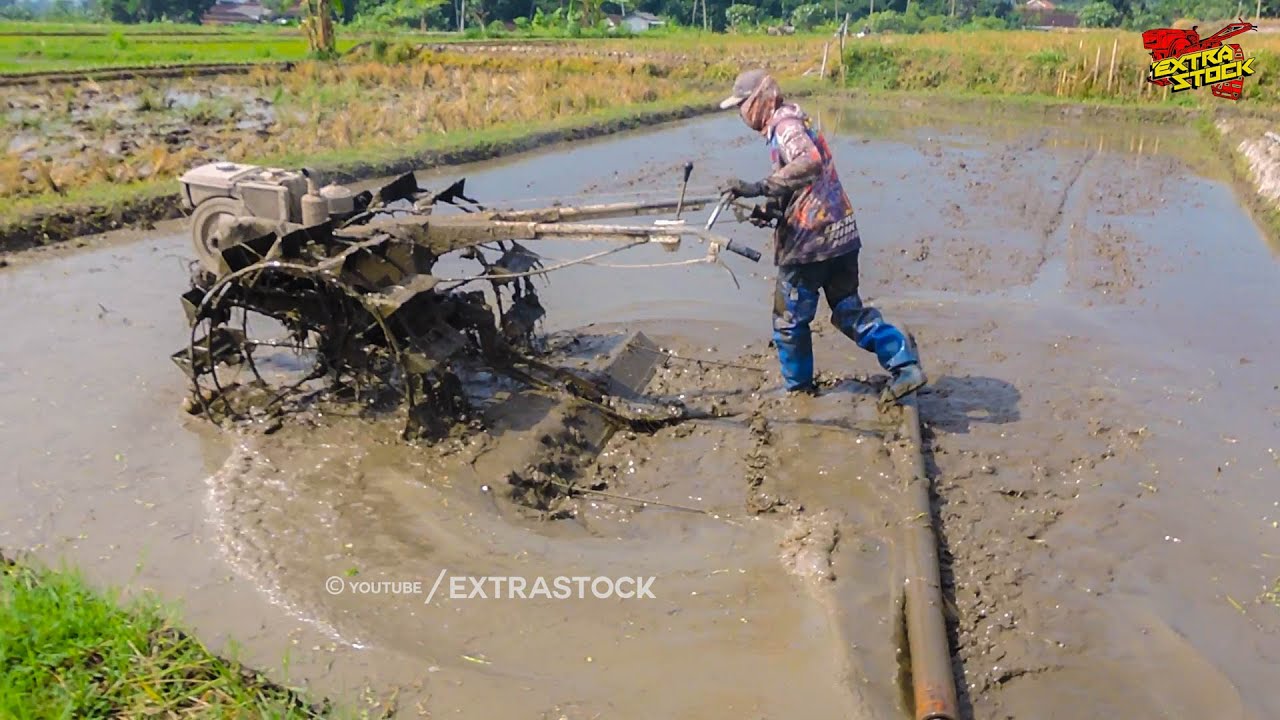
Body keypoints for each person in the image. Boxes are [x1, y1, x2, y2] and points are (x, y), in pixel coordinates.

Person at [717, 68, 926, 406]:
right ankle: (905, 366)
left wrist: (757, 188)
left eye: (742, 105)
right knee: (848, 312)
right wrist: (771, 209)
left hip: (810, 242)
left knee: (788, 321)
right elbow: (799, 180)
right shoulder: (791, 121)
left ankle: (798, 391)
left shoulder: (784, 125)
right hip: (840, 234)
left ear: (759, 100)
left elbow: (809, 162)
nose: (741, 114)